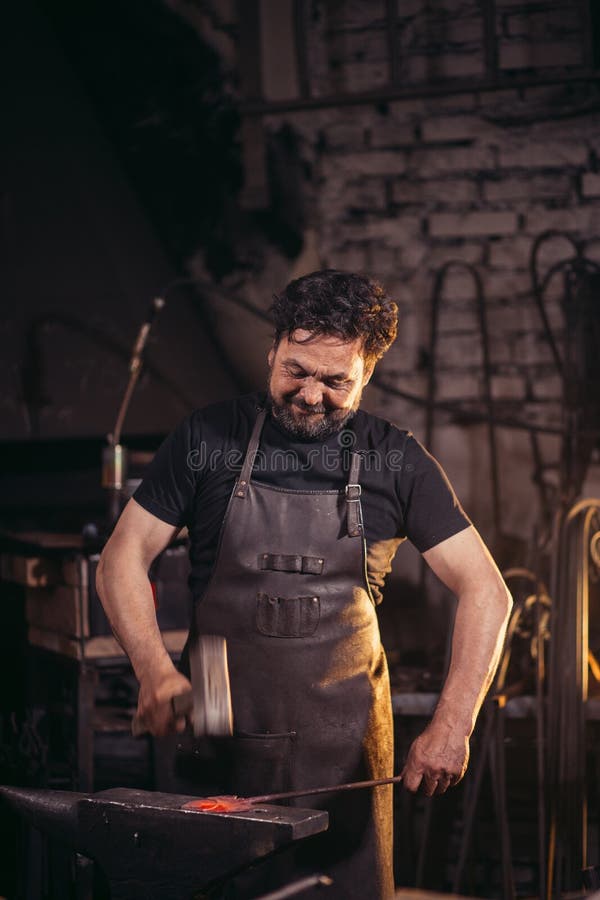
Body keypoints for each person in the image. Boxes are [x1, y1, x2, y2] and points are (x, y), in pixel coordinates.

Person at [96, 269, 512, 899]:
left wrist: (453, 724)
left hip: (341, 737)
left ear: (366, 374)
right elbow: (122, 556)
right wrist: (155, 671)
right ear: (272, 352)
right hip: (211, 716)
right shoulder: (209, 437)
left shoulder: (395, 460)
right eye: (296, 370)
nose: (311, 394)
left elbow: (488, 590)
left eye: (335, 380)